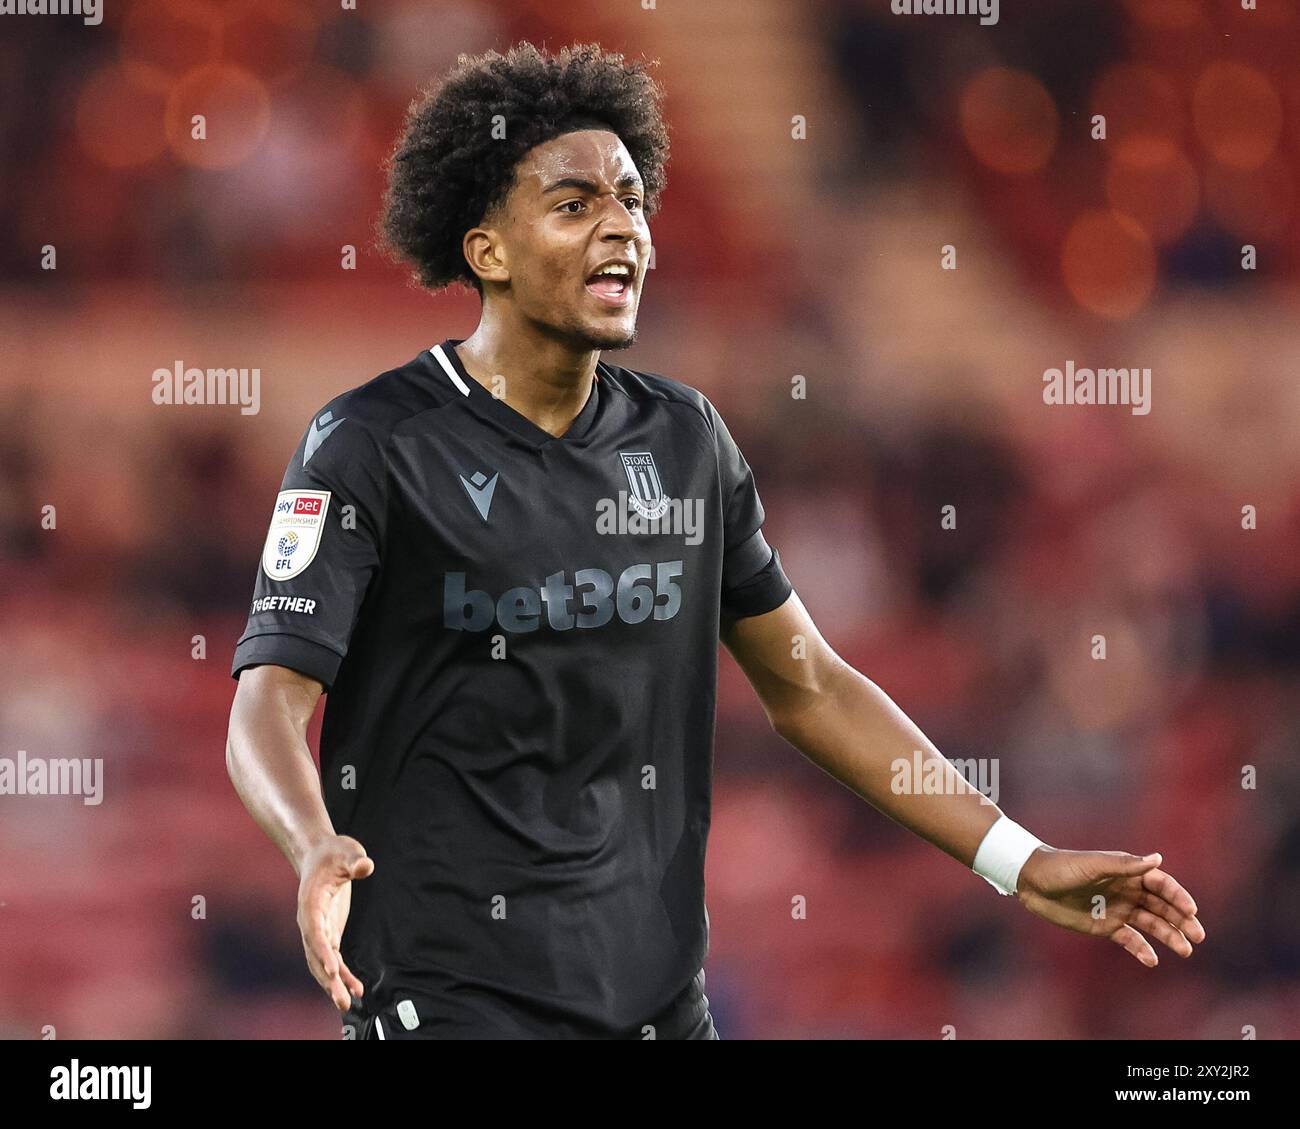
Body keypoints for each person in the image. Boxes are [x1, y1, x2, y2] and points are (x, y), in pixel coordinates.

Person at [225, 42, 1204, 1041]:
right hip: (450, 1005)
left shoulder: (684, 439)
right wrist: (311, 842)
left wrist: (1018, 859)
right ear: (486, 250)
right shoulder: (370, 443)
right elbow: (267, 700)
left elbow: (810, 686)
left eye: (632, 201)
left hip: (659, 1011)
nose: (621, 229)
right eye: (574, 206)